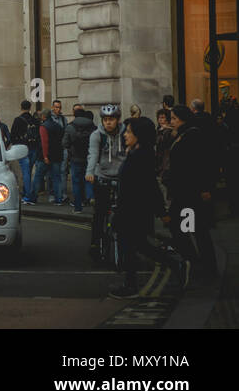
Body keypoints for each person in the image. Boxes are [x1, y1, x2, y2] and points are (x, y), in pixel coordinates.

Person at [109, 116, 189, 299]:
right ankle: (176, 265)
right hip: (130, 209)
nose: (125, 134)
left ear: (139, 134)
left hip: (133, 210)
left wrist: (162, 213)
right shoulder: (136, 152)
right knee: (140, 246)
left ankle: (130, 286)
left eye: (129, 131)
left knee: (131, 247)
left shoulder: (141, 156)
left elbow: (150, 187)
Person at [163, 104, 219, 278]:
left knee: (194, 229)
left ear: (183, 119)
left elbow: (202, 164)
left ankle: (202, 266)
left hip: (191, 193)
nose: (171, 122)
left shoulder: (193, 135)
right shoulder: (181, 135)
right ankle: (198, 263)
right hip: (183, 192)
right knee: (188, 228)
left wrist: (205, 188)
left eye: (173, 118)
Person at [86, 104, 126, 260]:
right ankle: (95, 244)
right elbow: (93, 154)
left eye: (112, 119)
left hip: (122, 177)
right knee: (100, 213)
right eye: (106, 120)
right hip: (102, 176)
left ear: (118, 120)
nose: (108, 123)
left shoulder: (125, 134)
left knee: (125, 213)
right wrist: (89, 173)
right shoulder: (97, 135)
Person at [62, 106, 96, 212]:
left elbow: (65, 143)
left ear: (75, 115)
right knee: (89, 179)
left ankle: (78, 207)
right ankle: (91, 198)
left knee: (76, 183)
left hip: (75, 158)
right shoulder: (93, 127)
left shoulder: (70, 127)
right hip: (89, 157)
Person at [9, 101, 41, 205]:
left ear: (21, 107)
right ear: (30, 107)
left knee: (26, 173)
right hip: (34, 148)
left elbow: (12, 136)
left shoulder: (18, 120)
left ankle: (28, 196)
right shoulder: (35, 120)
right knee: (31, 172)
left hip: (23, 149)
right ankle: (31, 194)